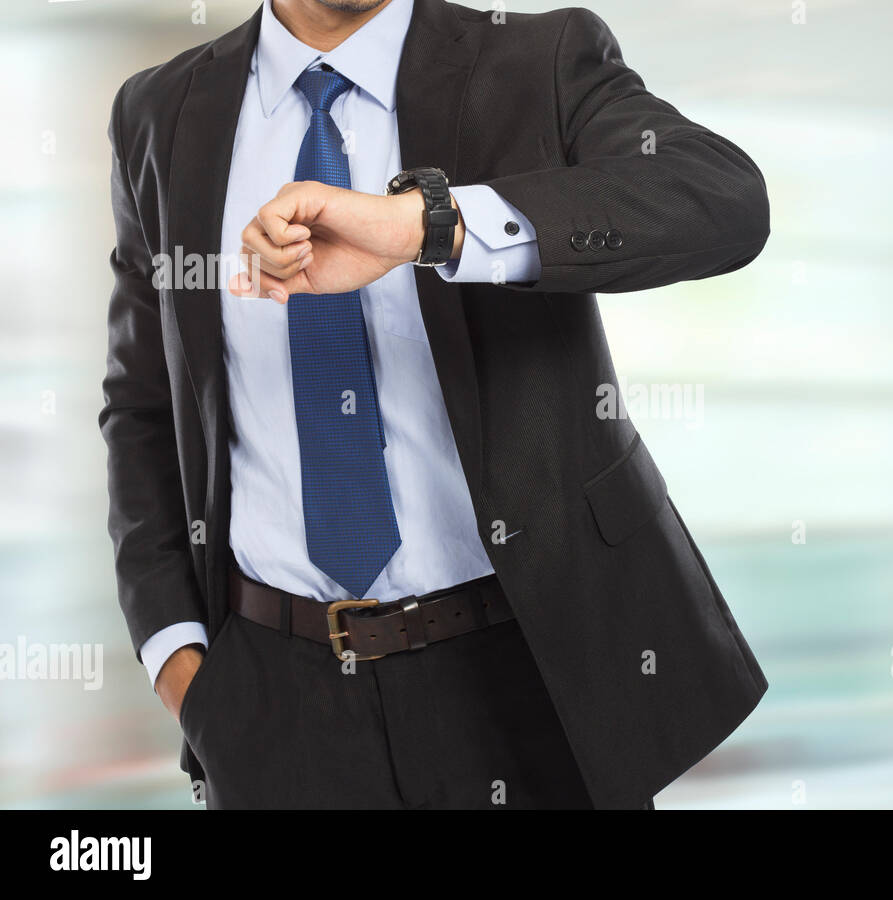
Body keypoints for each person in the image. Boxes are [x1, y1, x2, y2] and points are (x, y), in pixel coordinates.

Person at [102, 0, 769, 809]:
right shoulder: (158, 112)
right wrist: (179, 662)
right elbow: (140, 404)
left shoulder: (536, 59)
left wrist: (431, 224)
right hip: (270, 703)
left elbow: (720, 195)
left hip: (523, 678)